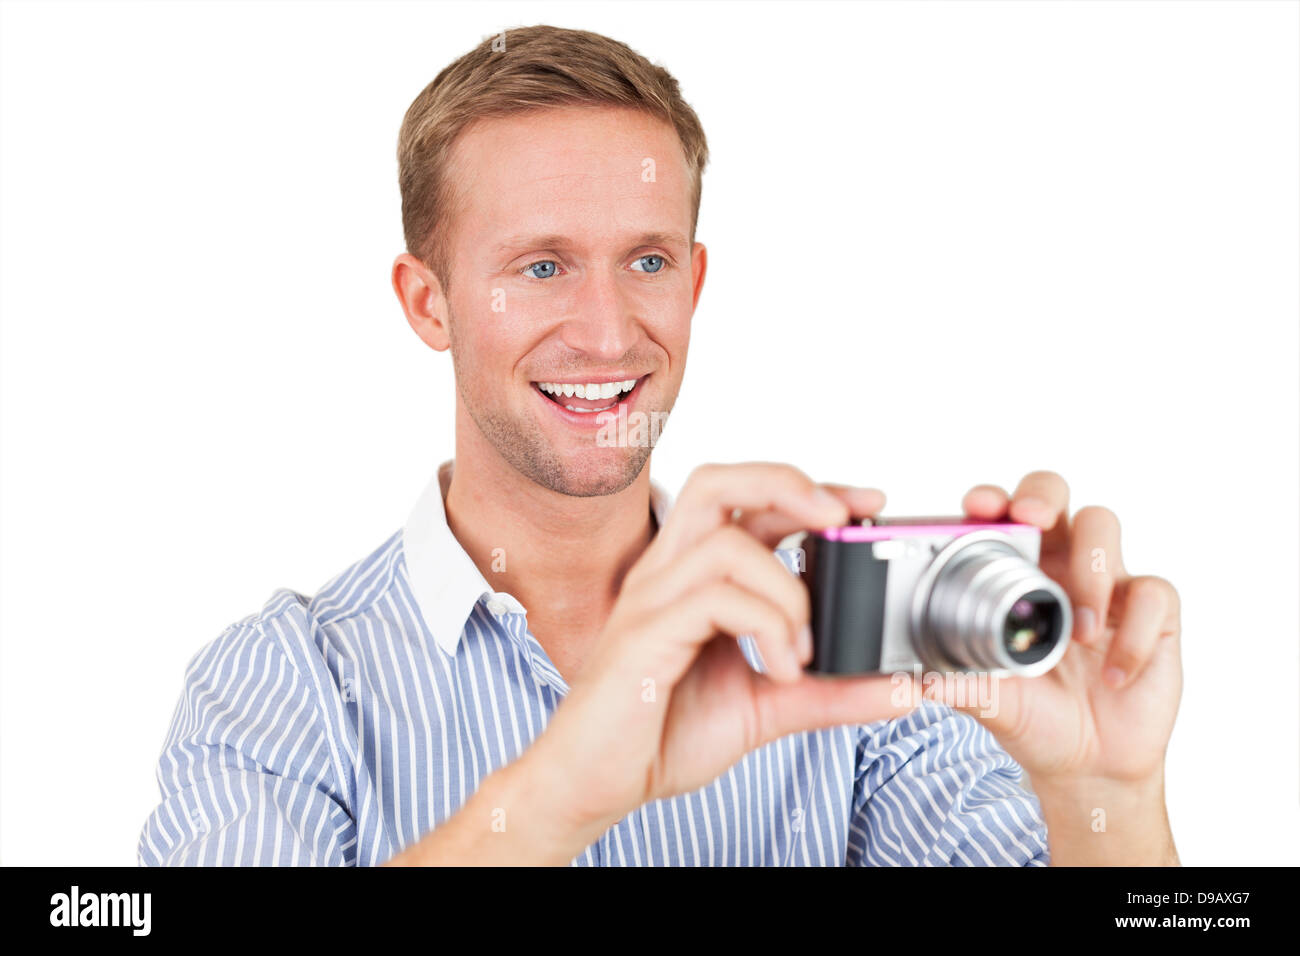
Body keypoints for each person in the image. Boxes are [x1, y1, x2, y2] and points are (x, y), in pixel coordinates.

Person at [137, 25, 1181, 867]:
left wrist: (1105, 800)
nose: (604, 331)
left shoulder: (848, 652)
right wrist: (555, 799)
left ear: (694, 281)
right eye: (541, 266)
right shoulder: (281, 686)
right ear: (427, 302)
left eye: (645, 258)